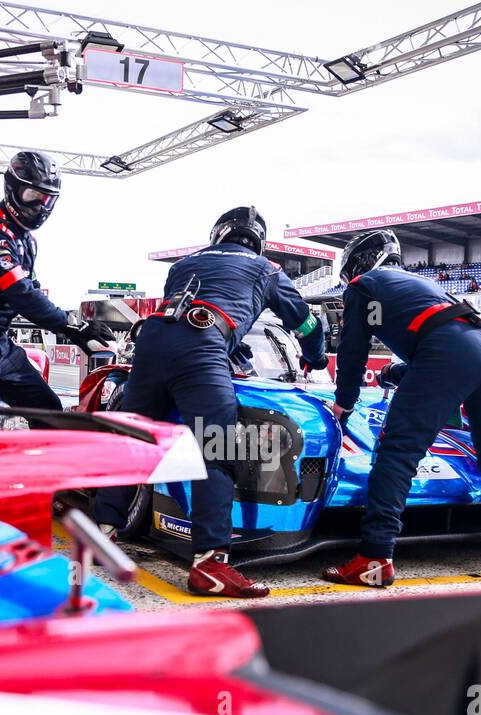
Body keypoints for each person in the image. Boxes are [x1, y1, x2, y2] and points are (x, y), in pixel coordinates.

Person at [91, 206, 327, 599]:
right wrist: (317, 357)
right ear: (258, 240)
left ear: (219, 234)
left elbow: (188, 313)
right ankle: (210, 565)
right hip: (202, 345)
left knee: (132, 441)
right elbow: (304, 322)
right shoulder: (265, 268)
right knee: (217, 447)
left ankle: (102, 533)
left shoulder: (183, 265)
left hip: (151, 343)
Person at [322, 229, 481, 587]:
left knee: (397, 450)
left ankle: (375, 556)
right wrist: (399, 372)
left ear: (356, 265)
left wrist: (343, 403)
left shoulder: (363, 284)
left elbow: (352, 351)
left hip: (451, 345)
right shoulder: (419, 283)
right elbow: (445, 340)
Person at [0, 149, 115, 429]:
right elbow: (22, 295)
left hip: (0, 345)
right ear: (13, 188)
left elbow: (32, 291)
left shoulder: (25, 241)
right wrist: (74, 327)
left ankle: (33, 470)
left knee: (49, 412)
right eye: (33, 195)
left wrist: (70, 322)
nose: (40, 206)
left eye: (47, 199)